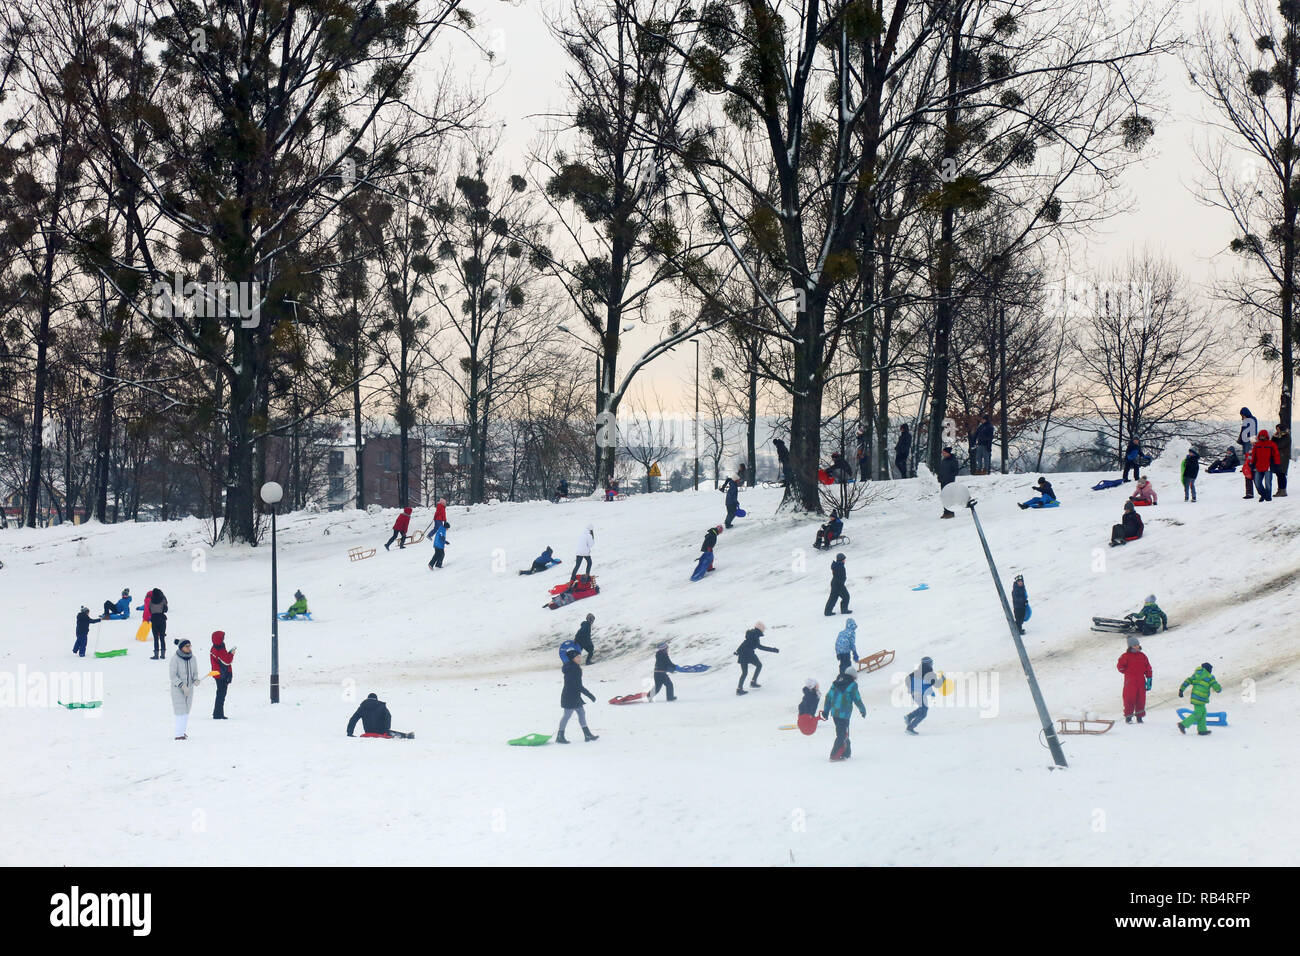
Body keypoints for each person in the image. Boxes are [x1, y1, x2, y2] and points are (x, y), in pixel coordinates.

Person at [821, 668, 867, 760]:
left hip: (835, 713)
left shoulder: (836, 683)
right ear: (853, 677)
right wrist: (862, 709)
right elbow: (857, 699)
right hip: (844, 714)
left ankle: (846, 753)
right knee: (842, 734)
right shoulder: (852, 685)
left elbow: (828, 697)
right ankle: (834, 755)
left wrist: (826, 711)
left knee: (844, 733)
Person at [558, 648, 598, 743]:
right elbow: (577, 685)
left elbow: (577, 685)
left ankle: (587, 734)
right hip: (569, 696)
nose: (580, 658)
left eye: (580, 656)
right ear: (572, 658)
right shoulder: (573, 669)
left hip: (574, 695)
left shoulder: (574, 667)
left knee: (581, 713)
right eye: (577, 657)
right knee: (567, 715)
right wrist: (589, 695)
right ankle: (560, 736)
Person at [169, 638, 206, 740]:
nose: (189, 648)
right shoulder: (175, 659)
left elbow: (195, 672)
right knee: (180, 711)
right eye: (187, 646)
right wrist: (182, 685)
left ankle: (182, 731)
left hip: (189, 689)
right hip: (178, 689)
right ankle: (178, 734)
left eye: (190, 646)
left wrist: (196, 680)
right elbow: (173, 676)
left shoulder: (193, 658)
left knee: (186, 710)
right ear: (181, 647)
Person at [1178, 662, 1222, 736]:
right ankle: (1183, 724)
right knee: (1198, 714)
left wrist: (1181, 690)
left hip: (1195, 697)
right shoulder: (1210, 677)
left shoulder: (1196, 675)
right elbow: (1215, 685)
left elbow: (1187, 681)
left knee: (1203, 713)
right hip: (1201, 699)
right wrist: (1218, 689)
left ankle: (1202, 730)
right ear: (1209, 669)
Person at [734, 621, 778, 695]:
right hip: (749, 654)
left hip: (742, 654)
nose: (764, 630)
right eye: (763, 629)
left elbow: (744, 643)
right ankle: (753, 682)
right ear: (760, 629)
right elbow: (760, 647)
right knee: (759, 665)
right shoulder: (755, 635)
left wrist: (737, 651)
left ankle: (739, 689)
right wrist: (773, 649)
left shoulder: (751, 634)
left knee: (744, 673)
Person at [1117, 635, 1153, 724]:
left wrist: (1149, 679)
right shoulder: (1125, 656)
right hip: (1130, 682)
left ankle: (1139, 717)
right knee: (1129, 699)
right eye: (1135, 645)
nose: (1137, 646)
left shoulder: (1142, 656)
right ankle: (1128, 717)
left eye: (1137, 645)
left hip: (1141, 681)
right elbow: (1120, 666)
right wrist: (1127, 672)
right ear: (1130, 646)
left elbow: (1147, 667)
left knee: (1141, 699)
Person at [904, 657, 941, 734]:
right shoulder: (930, 673)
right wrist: (942, 679)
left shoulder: (916, 672)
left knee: (923, 708)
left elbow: (908, 679)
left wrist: (911, 688)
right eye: (931, 663)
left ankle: (909, 717)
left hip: (915, 693)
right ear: (929, 663)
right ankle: (910, 728)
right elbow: (937, 684)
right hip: (920, 694)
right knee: (923, 713)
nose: (932, 664)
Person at [1249, 428, 1281, 501]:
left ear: (1266, 436)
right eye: (1260, 436)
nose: (1262, 437)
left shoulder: (1271, 444)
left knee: (1268, 483)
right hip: (1258, 466)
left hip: (1268, 466)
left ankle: (1268, 497)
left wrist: (1276, 464)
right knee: (1257, 482)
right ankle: (1263, 494)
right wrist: (1252, 464)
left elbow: (1276, 454)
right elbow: (1254, 455)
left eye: (1263, 436)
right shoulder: (1257, 445)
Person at [210, 630, 235, 719]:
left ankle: (217, 713)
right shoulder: (219, 649)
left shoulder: (214, 647)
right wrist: (231, 654)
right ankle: (218, 714)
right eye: (222, 637)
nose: (223, 639)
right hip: (221, 675)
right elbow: (227, 661)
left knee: (220, 694)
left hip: (217, 674)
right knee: (221, 694)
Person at [938, 446, 959, 518]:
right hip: (943, 481)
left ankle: (950, 512)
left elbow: (955, 471)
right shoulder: (944, 460)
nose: (943, 454)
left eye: (944, 453)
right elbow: (941, 470)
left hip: (949, 481)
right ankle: (946, 511)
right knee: (944, 497)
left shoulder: (953, 461)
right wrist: (939, 477)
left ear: (948, 453)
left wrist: (950, 477)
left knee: (949, 497)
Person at [149, 588, 169, 661]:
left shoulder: (151, 601)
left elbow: (150, 610)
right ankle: (163, 654)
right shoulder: (163, 600)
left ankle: (156, 654)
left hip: (154, 619)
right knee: (162, 637)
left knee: (155, 638)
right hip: (162, 619)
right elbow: (166, 609)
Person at [1274, 423, 1291, 497]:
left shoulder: (1286, 436)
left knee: (1282, 473)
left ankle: (1283, 490)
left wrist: (1276, 438)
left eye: (1278, 429)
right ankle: (1280, 489)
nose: (1277, 430)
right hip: (1278, 457)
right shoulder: (1279, 436)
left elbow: (1279, 445)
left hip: (1283, 457)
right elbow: (1272, 443)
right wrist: (1274, 437)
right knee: (1279, 473)